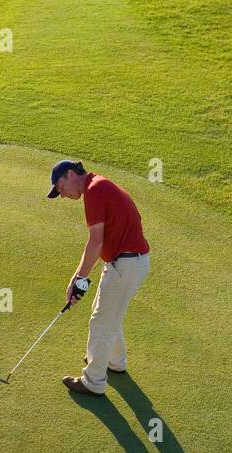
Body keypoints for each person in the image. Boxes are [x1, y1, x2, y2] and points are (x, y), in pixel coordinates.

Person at [47, 160, 151, 396]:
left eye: (60, 188)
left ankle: (93, 381)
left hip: (125, 263)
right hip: (127, 261)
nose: (62, 195)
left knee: (101, 322)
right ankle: (115, 361)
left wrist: (78, 279)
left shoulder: (94, 191)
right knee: (106, 312)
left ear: (71, 174)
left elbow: (95, 242)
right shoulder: (100, 185)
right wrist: (79, 279)